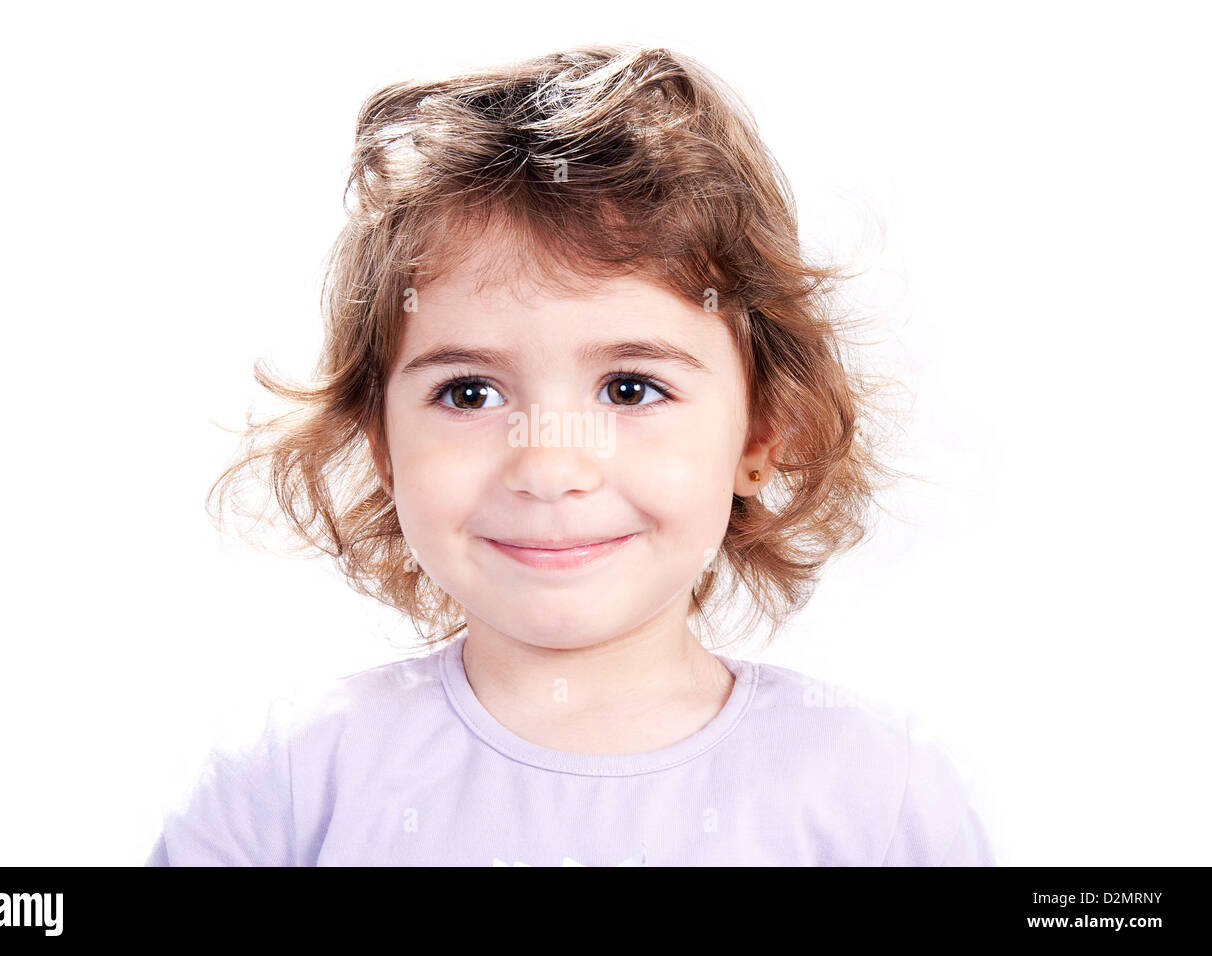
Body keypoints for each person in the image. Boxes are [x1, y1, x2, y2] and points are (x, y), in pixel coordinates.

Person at [146, 44, 996, 866]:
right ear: (384, 447)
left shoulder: (876, 798)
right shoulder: (289, 787)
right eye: (470, 393)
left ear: (760, 436)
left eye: (630, 390)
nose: (550, 467)